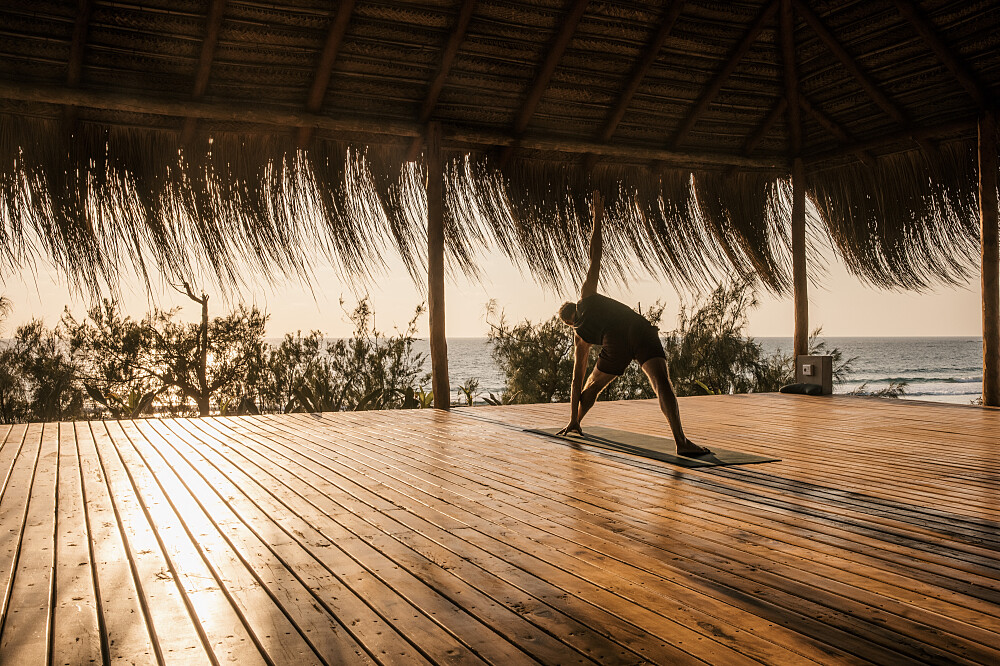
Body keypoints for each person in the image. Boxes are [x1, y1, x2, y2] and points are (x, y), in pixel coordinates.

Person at [556, 193, 710, 456]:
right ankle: (681, 441)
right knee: (662, 382)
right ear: (576, 305)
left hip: (614, 342)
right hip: (638, 329)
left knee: (592, 385)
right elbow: (595, 257)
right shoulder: (587, 296)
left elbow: (575, 380)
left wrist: (572, 419)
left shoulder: (579, 336)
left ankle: (577, 424)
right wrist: (597, 220)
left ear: (570, 321)